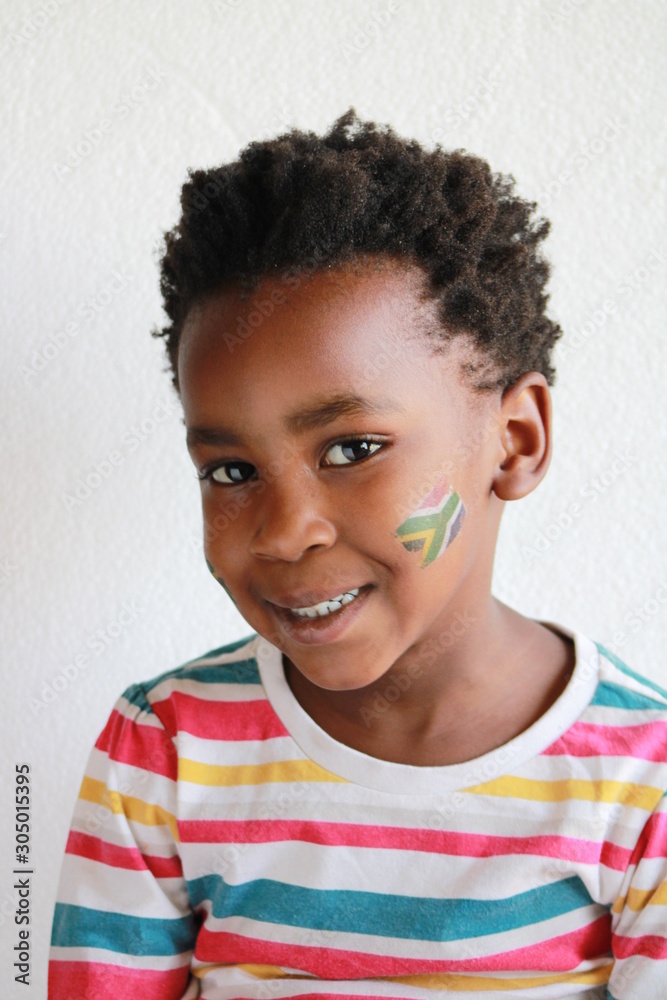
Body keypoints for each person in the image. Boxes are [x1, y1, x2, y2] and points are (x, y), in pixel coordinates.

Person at [48, 109, 666, 999]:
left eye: (351, 449)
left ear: (516, 438)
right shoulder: (168, 747)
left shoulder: (639, 778)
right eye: (231, 469)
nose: (284, 529)